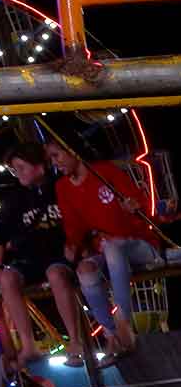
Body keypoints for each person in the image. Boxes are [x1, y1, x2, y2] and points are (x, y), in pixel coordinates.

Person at [48, 139, 165, 363]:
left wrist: (132, 208)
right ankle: (111, 334)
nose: (55, 163)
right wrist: (73, 245)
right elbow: (74, 228)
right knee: (85, 270)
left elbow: (141, 207)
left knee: (113, 247)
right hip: (104, 251)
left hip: (139, 245)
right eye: (51, 158)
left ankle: (123, 321)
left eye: (57, 155)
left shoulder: (106, 172)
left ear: (72, 151)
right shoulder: (62, 187)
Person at [0, 141, 91, 368]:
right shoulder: (15, 198)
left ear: (40, 165)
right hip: (30, 258)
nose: (18, 173)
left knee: (56, 274)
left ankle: (75, 341)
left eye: (22, 167)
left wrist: (79, 246)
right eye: (14, 170)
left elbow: (82, 217)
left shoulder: (62, 187)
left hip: (60, 255)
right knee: (7, 278)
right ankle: (28, 345)